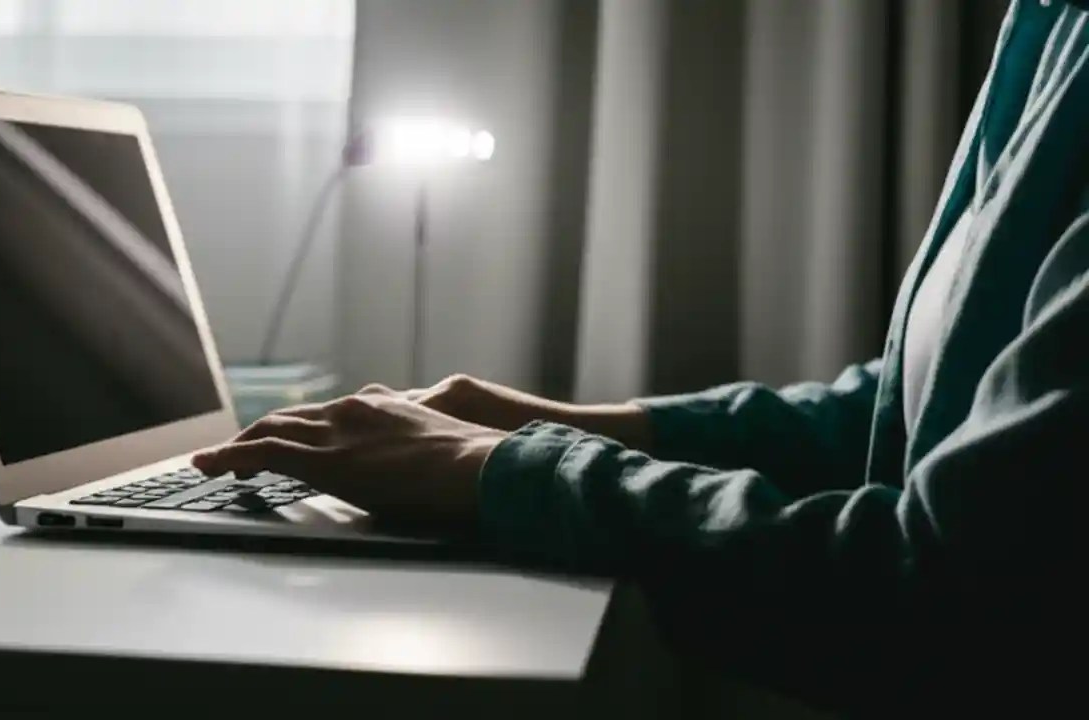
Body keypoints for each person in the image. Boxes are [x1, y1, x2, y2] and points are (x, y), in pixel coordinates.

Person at [195, 0, 1087, 712]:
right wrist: (579, 424)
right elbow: (903, 417)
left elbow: (944, 601)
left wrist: (508, 469)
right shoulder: (1050, 26)